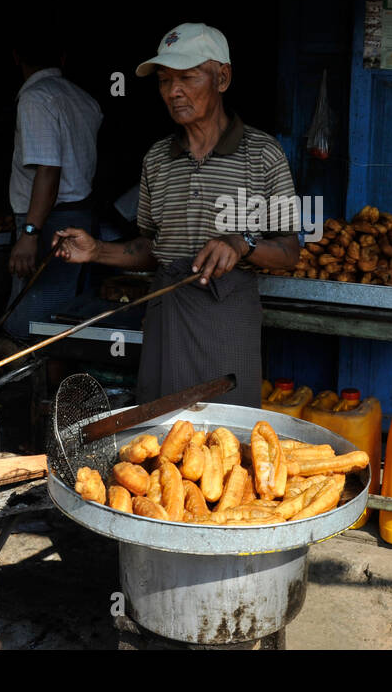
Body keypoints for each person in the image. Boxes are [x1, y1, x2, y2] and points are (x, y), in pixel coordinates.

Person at [54, 23, 301, 408]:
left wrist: (242, 244)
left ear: (222, 78)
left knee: (226, 431)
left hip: (228, 317)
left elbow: (290, 252)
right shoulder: (157, 159)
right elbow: (152, 248)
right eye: (165, 80)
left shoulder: (263, 155)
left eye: (187, 77)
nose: (173, 91)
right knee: (161, 428)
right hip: (166, 315)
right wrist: (97, 251)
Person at [4, 21, 103, 344]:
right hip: (78, 216)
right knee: (61, 313)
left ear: (16, 57)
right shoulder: (84, 99)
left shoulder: (36, 99)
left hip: (50, 222)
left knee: (32, 323)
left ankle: (32, 376)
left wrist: (30, 234)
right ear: (62, 58)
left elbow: (49, 170)